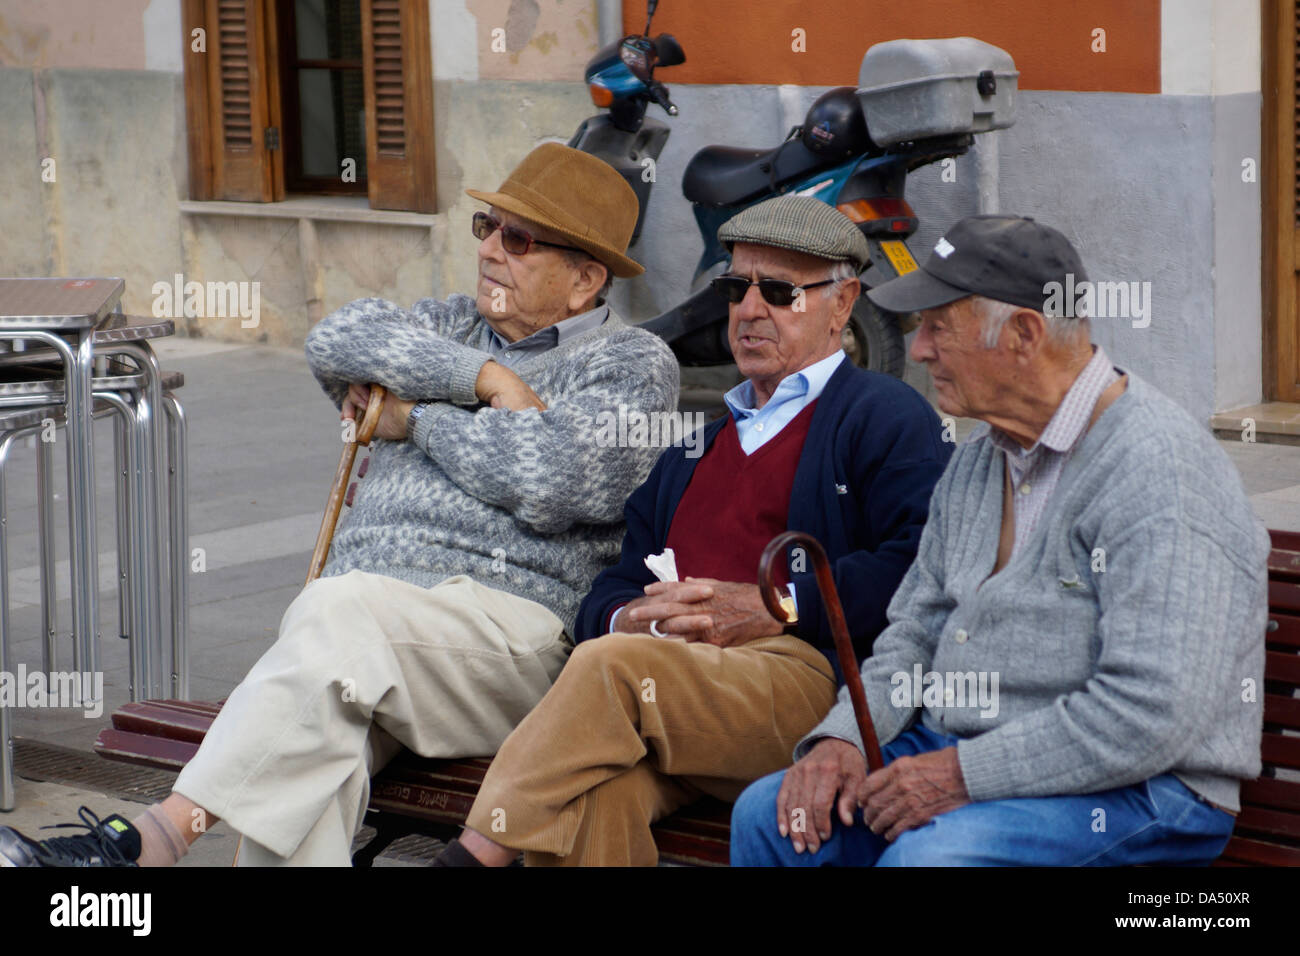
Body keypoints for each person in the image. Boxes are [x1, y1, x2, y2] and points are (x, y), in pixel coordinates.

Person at [0, 143, 680, 867]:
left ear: (585, 279)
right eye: (485, 225)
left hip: (506, 638)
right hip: (364, 646)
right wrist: (483, 379)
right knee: (319, 747)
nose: (488, 251)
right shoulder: (446, 326)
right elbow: (339, 337)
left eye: (517, 239)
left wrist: (415, 418)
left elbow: (555, 480)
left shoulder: (631, 364)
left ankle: (145, 842)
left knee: (334, 616)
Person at [729, 214, 1270, 866]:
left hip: (1142, 790)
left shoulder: (1159, 470)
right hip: (968, 750)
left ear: (1023, 334)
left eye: (937, 328)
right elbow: (913, 636)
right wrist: (843, 738)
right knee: (772, 816)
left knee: (931, 860)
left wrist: (962, 776)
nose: (920, 349)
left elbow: (1148, 717)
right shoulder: (980, 460)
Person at [431, 194, 952, 867]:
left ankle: (468, 858)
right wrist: (632, 618)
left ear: (843, 303)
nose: (750, 309)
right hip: (665, 691)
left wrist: (773, 603)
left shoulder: (883, 414)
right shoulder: (691, 447)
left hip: (794, 681)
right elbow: (611, 584)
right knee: (594, 792)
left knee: (609, 670)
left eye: (779, 291)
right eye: (736, 287)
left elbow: (917, 568)